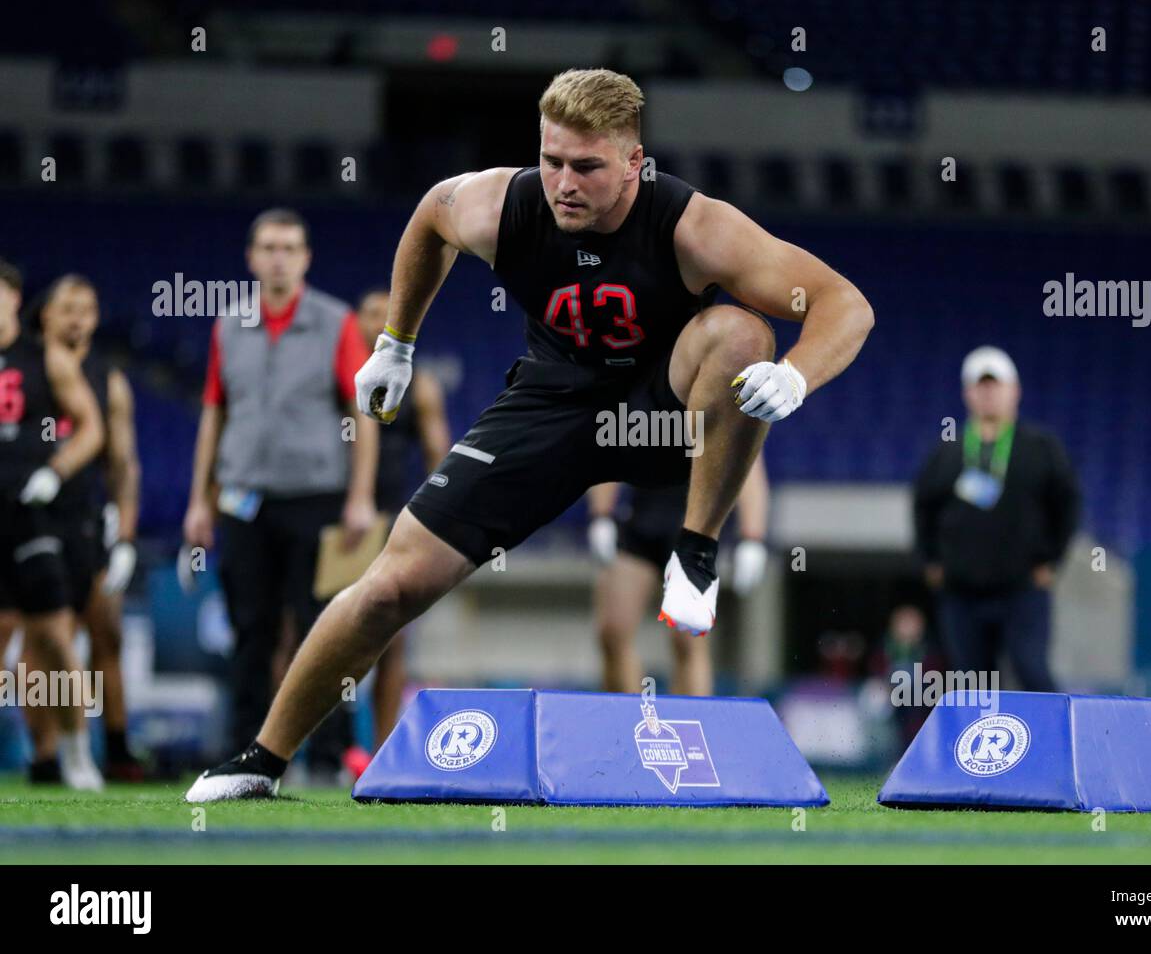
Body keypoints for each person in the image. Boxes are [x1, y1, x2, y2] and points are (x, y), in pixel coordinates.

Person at [186, 68, 873, 802]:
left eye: (586, 166)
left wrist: (797, 375)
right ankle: (261, 757)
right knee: (390, 585)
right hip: (550, 404)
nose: (563, 184)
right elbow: (429, 217)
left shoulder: (693, 225)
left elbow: (843, 302)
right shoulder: (502, 205)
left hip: (661, 410)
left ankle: (695, 550)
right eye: (550, 161)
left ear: (636, 164)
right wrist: (397, 342)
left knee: (742, 334)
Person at [181, 209, 379, 775]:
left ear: (306, 257)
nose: (278, 258)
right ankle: (246, 751)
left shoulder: (334, 320)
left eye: (290, 248)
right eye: (268, 247)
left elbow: (361, 412)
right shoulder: (229, 325)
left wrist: (359, 497)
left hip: (318, 497)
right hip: (243, 497)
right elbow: (213, 415)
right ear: (251, 257)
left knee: (324, 628)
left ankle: (327, 752)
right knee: (250, 628)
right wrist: (200, 500)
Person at [19, 275, 145, 782]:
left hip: (84, 521)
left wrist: (126, 537)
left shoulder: (107, 379)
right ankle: (45, 756)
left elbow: (123, 464)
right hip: (27, 518)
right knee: (41, 638)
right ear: (43, 315)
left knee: (106, 631)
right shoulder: (22, 371)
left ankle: (116, 749)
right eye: (67, 308)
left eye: (87, 309)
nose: (77, 318)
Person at [912, 346, 1080, 693]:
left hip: (1022, 588)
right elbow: (923, 508)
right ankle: (979, 747)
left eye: (996, 385)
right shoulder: (948, 451)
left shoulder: (1041, 447)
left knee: (1031, 670)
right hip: (961, 591)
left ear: (1014, 391)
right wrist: (930, 562)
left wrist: (1052, 559)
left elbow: (1068, 503)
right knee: (970, 683)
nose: (988, 393)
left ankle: (1055, 744)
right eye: (980, 385)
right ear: (967, 393)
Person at [0, 258, 105, 789]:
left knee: (54, 635)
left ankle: (75, 749)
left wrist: (53, 470)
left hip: (29, 512)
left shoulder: (46, 359)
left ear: (16, 298)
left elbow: (91, 428)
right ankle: (34, 750)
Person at [354, 288, 451, 749]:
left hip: (391, 521)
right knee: (313, 629)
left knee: (391, 639)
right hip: (333, 520)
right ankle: (321, 750)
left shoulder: (421, 384)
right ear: (355, 322)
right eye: (369, 315)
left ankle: (379, 749)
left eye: (385, 315)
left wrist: (437, 518)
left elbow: (439, 455)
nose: (377, 323)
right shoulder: (338, 377)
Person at [587, 454, 769, 696]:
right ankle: (628, 720)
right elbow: (610, 446)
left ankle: (689, 725)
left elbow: (747, 459)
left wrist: (752, 537)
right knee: (612, 632)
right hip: (640, 522)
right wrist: (601, 515)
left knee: (688, 639)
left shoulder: (719, 414)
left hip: (695, 529)